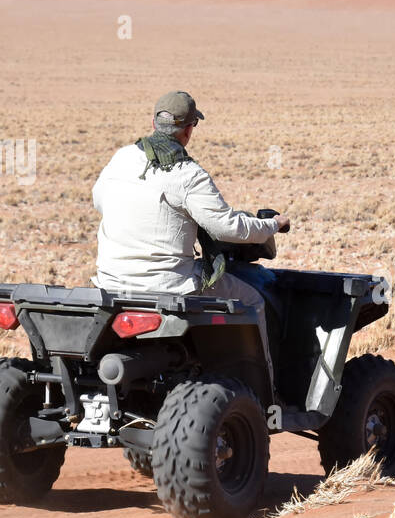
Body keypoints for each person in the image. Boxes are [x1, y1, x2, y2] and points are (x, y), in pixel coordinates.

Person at [92, 90, 288, 380]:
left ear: (154, 121)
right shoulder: (187, 174)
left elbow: (99, 200)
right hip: (169, 285)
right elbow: (227, 226)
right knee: (252, 300)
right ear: (188, 129)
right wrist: (273, 225)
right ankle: (265, 383)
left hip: (111, 282)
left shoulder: (122, 157)